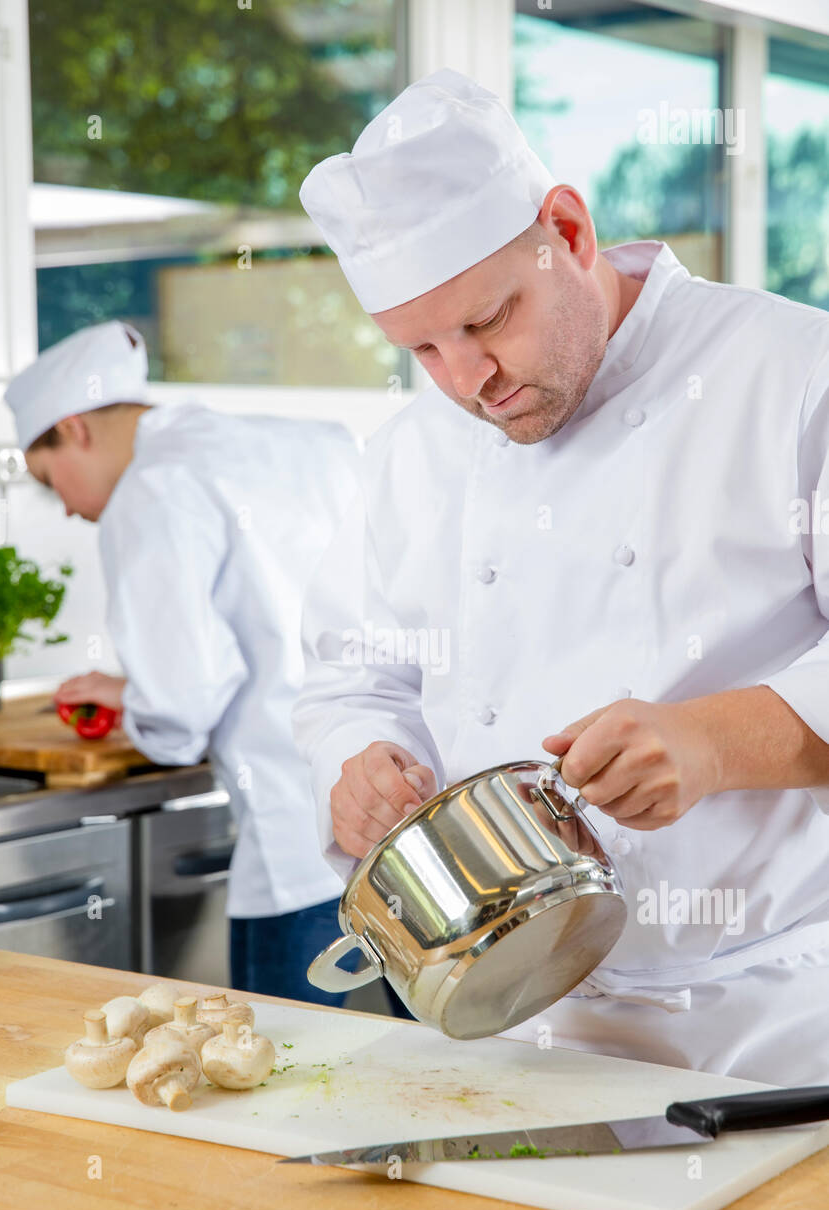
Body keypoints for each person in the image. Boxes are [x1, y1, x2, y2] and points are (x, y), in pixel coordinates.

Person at [292, 68, 829, 1084]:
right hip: (495, 1022)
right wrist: (361, 762)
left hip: (765, 1026)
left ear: (568, 232)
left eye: (489, 320)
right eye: (421, 350)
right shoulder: (409, 454)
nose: (467, 382)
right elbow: (355, 678)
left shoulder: (792, 373)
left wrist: (710, 742)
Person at [3, 320, 391, 1009]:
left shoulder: (149, 490)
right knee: (433, 1080)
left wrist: (146, 705)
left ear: (76, 428)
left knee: (276, 1096)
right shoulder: (307, 442)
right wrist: (135, 687)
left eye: (46, 477)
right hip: (400, 816)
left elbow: (182, 709)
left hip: (297, 847)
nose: (63, 505)